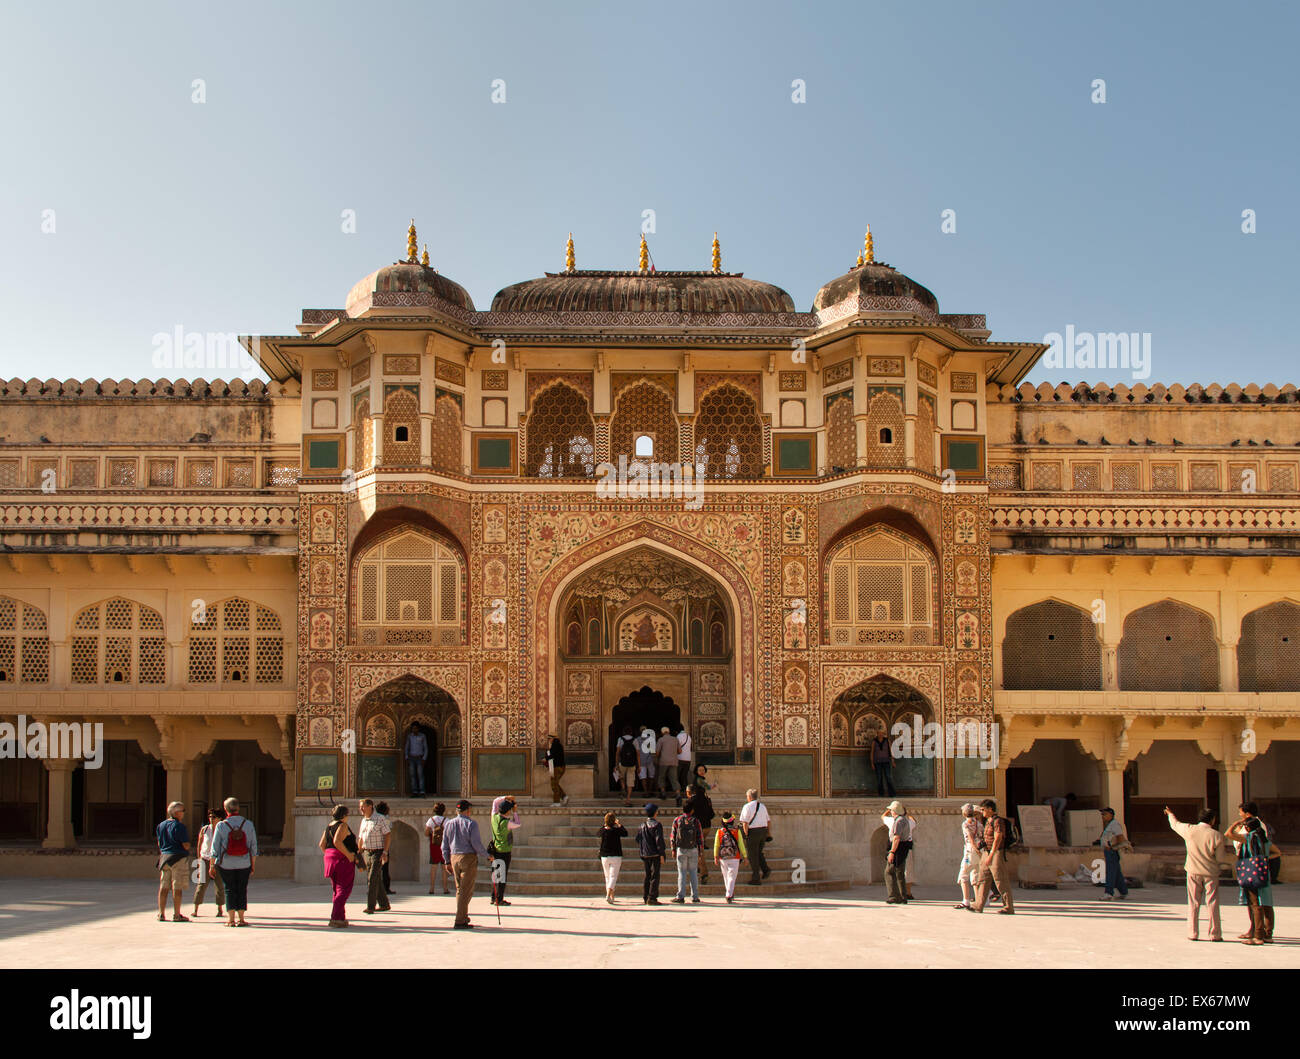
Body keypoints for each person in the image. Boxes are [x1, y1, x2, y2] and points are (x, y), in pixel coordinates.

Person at [1164, 806, 1229, 942]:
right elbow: (1221, 859)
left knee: (1193, 903)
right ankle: (1215, 934)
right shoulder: (1217, 835)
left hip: (1193, 871)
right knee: (1212, 903)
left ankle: (1193, 933)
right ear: (1213, 820)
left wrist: (1170, 814)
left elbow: (1175, 825)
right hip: (1210, 873)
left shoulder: (1190, 830)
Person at [441, 799, 492, 929]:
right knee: (466, 890)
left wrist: (446, 861)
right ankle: (460, 920)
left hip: (454, 858)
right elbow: (476, 843)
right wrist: (487, 856)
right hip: (467, 857)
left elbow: (444, 844)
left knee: (460, 890)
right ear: (468, 810)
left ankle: (463, 916)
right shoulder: (471, 823)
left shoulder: (449, 823)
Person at [1227, 803, 1274, 944]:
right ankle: (1262, 931)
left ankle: (1260, 932)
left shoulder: (1251, 834)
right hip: (1259, 866)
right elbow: (1273, 850)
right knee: (1262, 900)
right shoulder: (1258, 830)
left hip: (1251, 867)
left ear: (1247, 814)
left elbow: (1229, 834)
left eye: (1241, 812)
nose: (1239, 815)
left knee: (1256, 902)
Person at [209, 797, 258, 927]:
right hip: (244, 862)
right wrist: (252, 864)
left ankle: (231, 919)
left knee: (229, 889)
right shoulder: (248, 824)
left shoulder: (221, 825)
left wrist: (212, 865)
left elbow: (215, 848)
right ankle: (241, 918)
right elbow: (253, 847)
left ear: (225, 809)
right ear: (238, 808)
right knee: (242, 889)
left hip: (226, 863)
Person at [969, 798, 1014, 914]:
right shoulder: (988, 821)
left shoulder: (998, 821)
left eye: (983, 809)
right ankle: (979, 905)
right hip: (986, 852)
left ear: (990, 809)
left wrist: (992, 854)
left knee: (1000, 880)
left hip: (996, 853)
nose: (982, 812)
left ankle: (1008, 906)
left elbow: (998, 837)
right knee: (983, 879)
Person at [319, 803, 359, 928]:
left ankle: (340, 918)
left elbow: (321, 844)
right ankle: (335, 918)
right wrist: (348, 855)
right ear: (344, 815)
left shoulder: (329, 826)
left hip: (330, 859)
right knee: (344, 889)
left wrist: (330, 855)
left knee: (337, 889)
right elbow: (337, 841)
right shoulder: (342, 825)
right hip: (342, 860)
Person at [155, 801, 191, 922]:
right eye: (182, 811)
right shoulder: (179, 826)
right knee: (177, 887)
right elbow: (185, 845)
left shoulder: (161, 825)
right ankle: (176, 914)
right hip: (178, 858)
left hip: (165, 858)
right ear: (176, 812)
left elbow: (159, 843)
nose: (183, 813)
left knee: (164, 887)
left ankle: (161, 913)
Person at [356, 798, 391, 914]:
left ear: (370, 806)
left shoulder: (380, 818)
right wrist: (358, 852)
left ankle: (370, 906)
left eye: (363, 806)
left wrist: (385, 852)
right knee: (375, 878)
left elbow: (387, 835)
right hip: (367, 852)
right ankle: (384, 904)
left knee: (371, 879)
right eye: (360, 806)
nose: (361, 809)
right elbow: (361, 838)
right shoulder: (364, 820)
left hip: (378, 852)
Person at [192, 807, 225, 918]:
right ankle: (196, 909)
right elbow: (199, 844)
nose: (211, 819)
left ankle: (220, 909)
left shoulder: (223, 829)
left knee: (219, 885)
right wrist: (198, 859)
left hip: (218, 860)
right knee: (201, 884)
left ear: (220, 818)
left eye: (214, 817)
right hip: (205, 859)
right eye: (210, 817)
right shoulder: (205, 829)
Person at [489, 796, 521, 906]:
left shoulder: (494, 817)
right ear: (508, 811)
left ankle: (494, 897)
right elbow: (518, 823)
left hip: (495, 850)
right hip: (504, 851)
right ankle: (499, 899)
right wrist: (515, 812)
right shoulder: (507, 823)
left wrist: (505, 797)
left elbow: (494, 802)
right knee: (502, 876)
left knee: (496, 875)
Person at [670, 803, 704, 904]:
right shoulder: (696, 820)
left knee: (682, 873)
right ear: (692, 810)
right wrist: (700, 850)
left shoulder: (677, 820)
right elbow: (700, 836)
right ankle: (695, 896)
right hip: (693, 848)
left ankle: (680, 896)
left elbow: (673, 835)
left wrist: (673, 849)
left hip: (681, 849)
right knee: (693, 872)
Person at [713, 810, 748, 903]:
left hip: (723, 857)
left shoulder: (719, 832)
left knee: (726, 876)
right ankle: (729, 894)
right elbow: (741, 844)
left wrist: (715, 856)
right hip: (734, 856)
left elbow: (716, 845)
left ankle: (729, 893)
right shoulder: (736, 831)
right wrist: (745, 856)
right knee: (732, 876)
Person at [739, 788, 770, 886]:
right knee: (759, 852)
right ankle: (765, 869)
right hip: (763, 831)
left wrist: (746, 834)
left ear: (749, 797)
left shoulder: (747, 807)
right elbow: (768, 821)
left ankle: (756, 877)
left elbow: (744, 822)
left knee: (753, 855)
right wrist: (768, 833)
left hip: (753, 832)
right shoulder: (762, 806)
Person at [1097, 807, 1129, 901]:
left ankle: (1108, 893)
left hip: (1112, 851)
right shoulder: (1109, 824)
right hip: (1108, 851)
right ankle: (1123, 892)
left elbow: (1120, 837)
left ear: (1111, 815)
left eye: (1105, 814)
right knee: (1117, 873)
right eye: (1102, 814)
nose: (1103, 816)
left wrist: (1113, 846)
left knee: (1110, 872)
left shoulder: (1114, 824)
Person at [883, 800, 912, 904]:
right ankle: (903, 896)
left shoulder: (898, 821)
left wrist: (892, 852)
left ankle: (893, 896)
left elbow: (896, 838)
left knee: (889, 872)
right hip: (903, 848)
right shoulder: (905, 820)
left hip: (898, 848)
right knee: (900, 872)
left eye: (891, 810)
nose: (890, 811)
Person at [637, 803, 666, 905]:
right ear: (655, 813)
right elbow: (659, 841)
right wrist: (662, 854)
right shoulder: (657, 825)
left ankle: (646, 896)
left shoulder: (642, 825)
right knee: (655, 876)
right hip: (655, 854)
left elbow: (638, 839)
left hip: (645, 854)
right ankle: (652, 897)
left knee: (647, 875)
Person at [686, 783, 715, 884]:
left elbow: (686, 815)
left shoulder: (691, 801)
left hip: (697, 829)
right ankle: (699, 867)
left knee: (699, 852)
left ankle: (704, 873)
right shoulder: (707, 799)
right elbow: (712, 814)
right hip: (707, 827)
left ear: (689, 792)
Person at [598, 811, 629, 904]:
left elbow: (598, 832)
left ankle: (611, 895)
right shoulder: (616, 831)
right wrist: (619, 824)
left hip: (605, 856)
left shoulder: (603, 830)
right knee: (613, 876)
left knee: (608, 877)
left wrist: (605, 825)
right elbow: (625, 833)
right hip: (615, 855)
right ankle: (609, 894)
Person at [955, 803, 980, 909]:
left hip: (971, 850)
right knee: (976, 874)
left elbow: (970, 838)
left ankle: (966, 900)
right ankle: (981, 899)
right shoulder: (978, 823)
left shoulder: (965, 823)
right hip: (980, 850)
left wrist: (974, 849)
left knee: (963, 875)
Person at [425, 802, 453, 895]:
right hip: (444, 845)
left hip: (434, 845)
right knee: (444, 867)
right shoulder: (447, 820)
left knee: (433, 866)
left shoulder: (431, 820)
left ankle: (431, 888)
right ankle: (445, 888)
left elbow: (426, 833)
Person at [376, 801, 396, 895]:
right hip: (383, 847)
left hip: (374, 847)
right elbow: (388, 832)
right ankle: (385, 888)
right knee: (384, 869)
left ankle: (374, 888)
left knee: (376, 870)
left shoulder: (373, 818)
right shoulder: (385, 819)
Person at [405, 723, 429, 797]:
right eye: (413, 728)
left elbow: (425, 747)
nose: (414, 729)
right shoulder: (410, 736)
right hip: (412, 758)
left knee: (420, 775)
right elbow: (407, 747)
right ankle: (414, 791)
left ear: (418, 729)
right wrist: (406, 757)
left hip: (419, 758)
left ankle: (422, 791)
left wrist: (424, 758)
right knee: (413, 775)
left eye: (416, 728)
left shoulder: (422, 736)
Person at [616, 726, 639, 804]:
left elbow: (617, 752)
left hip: (622, 762)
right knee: (630, 782)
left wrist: (616, 764)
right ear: (631, 732)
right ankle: (628, 799)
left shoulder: (620, 739)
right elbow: (638, 754)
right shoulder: (635, 740)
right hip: (632, 764)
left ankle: (623, 787)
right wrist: (639, 765)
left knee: (621, 776)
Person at [655, 727, 678, 799]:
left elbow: (657, 753)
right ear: (669, 731)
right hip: (674, 761)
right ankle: (678, 794)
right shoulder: (675, 739)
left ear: (662, 732)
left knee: (662, 777)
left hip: (664, 762)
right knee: (674, 778)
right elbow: (680, 751)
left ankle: (663, 793)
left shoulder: (661, 740)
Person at [546, 732, 568, 807]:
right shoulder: (557, 745)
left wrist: (545, 759)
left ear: (553, 738)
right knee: (555, 783)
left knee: (554, 784)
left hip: (557, 767)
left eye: (550, 738)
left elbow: (552, 755)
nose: (549, 740)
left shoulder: (556, 745)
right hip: (559, 767)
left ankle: (557, 802)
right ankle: (564, 796)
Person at [871, 731, 895, 797]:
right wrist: (872, 763)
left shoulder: (887, 740)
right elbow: (872, 752)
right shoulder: (874, 741)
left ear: (883, 734)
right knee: (879, 778)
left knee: (888, 777)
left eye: (881, 733)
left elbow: (890, 750)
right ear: (877, 734)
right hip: (877, 762)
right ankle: (881, 793)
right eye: (879, 733)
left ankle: (892, 793)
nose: (880, 734)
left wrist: (892, 761)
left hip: (886, 761)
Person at [674, 727, 693, 808]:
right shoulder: (688, 736)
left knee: (677, 777)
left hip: (680, 759)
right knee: (684, 777)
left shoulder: (678, 736)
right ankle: (686, 793)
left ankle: (678, 793)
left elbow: (677, 748)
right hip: (688, 759)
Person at [637, 726, 657, 795]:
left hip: (641, 761)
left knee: (643, 777)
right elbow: (653, 751)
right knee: (651, 776)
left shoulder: (637, 739)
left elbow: (636, 751)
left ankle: (646, 792)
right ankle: (650, 790)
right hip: (650, 760)